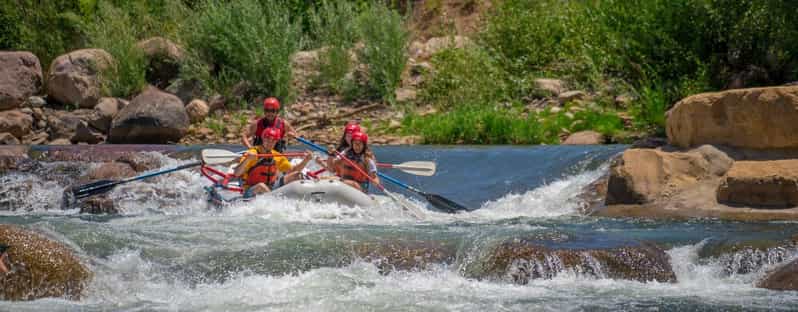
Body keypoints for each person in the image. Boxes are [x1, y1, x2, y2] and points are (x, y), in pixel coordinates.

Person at [234, 127, 312, 198]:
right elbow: (237, 173)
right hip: (252, 190)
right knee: (261, 186)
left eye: (273, 140)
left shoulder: (276, 156)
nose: (270, 143)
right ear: (263, 139)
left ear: (276, 142)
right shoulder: (252, 153)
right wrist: (247, 159)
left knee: (296, 175)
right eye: (267, 139)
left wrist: (306, 160)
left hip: (271, 188)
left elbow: (293, 171)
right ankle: (277, 203)